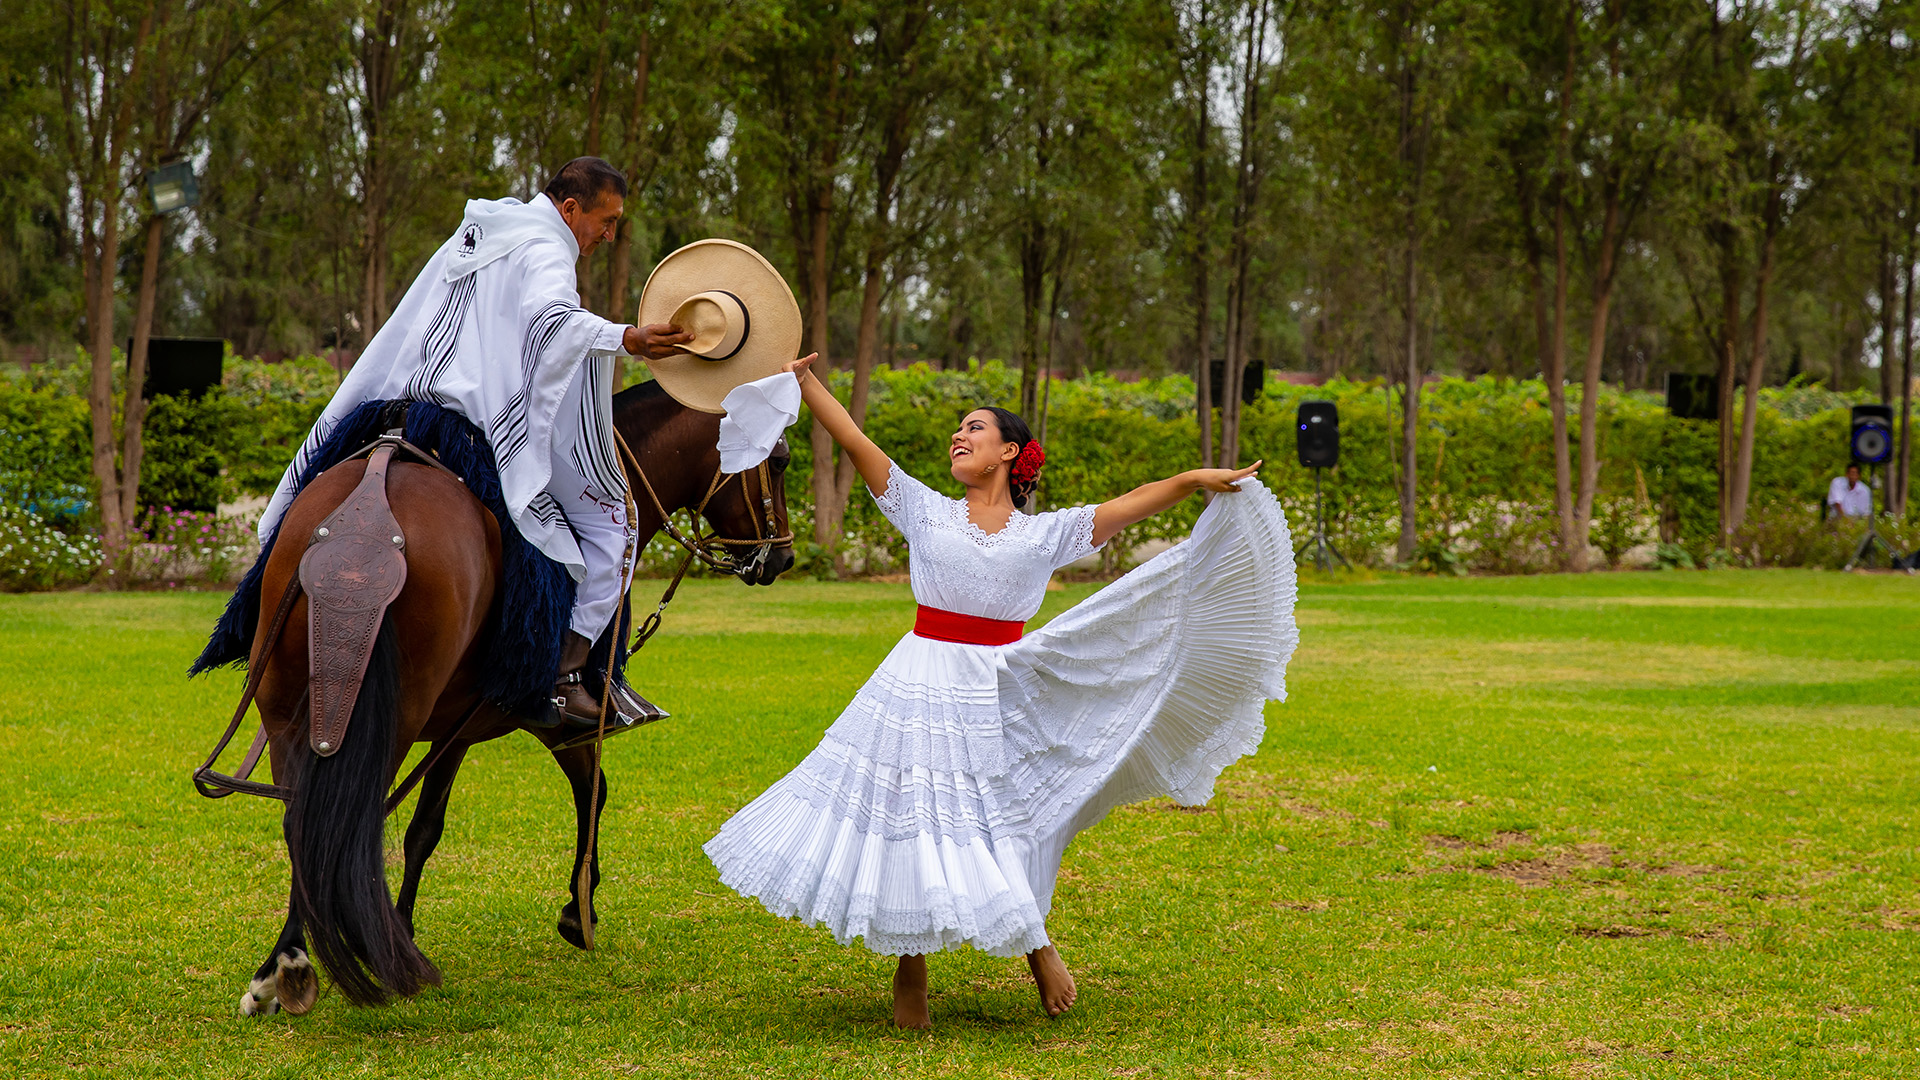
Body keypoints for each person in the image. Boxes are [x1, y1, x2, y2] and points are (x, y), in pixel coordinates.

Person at [704, 357, 1298, 1029]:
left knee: (1002, 820)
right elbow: (854, 440)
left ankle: (1036, 945)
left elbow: (1131, 507)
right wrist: (806, 383)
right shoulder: (923, 509)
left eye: (975, 428)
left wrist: (1193, 479)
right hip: (919, 679)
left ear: (1009, 451)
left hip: (1001, 685)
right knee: (917, 818)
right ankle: (913, 972)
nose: (960, 436)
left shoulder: (1045, 533)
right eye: (957, 429)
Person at [257, 157, 692, 727]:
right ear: (569, 210)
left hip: (404, 405)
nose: (608, 235)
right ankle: (562, 678)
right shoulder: (545, 247)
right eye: (606, 221)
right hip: (477, 421)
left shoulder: (484, 227)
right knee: (613, 524)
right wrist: (628, 338)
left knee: (309, 489)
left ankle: (254, 622)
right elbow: (551, 323)